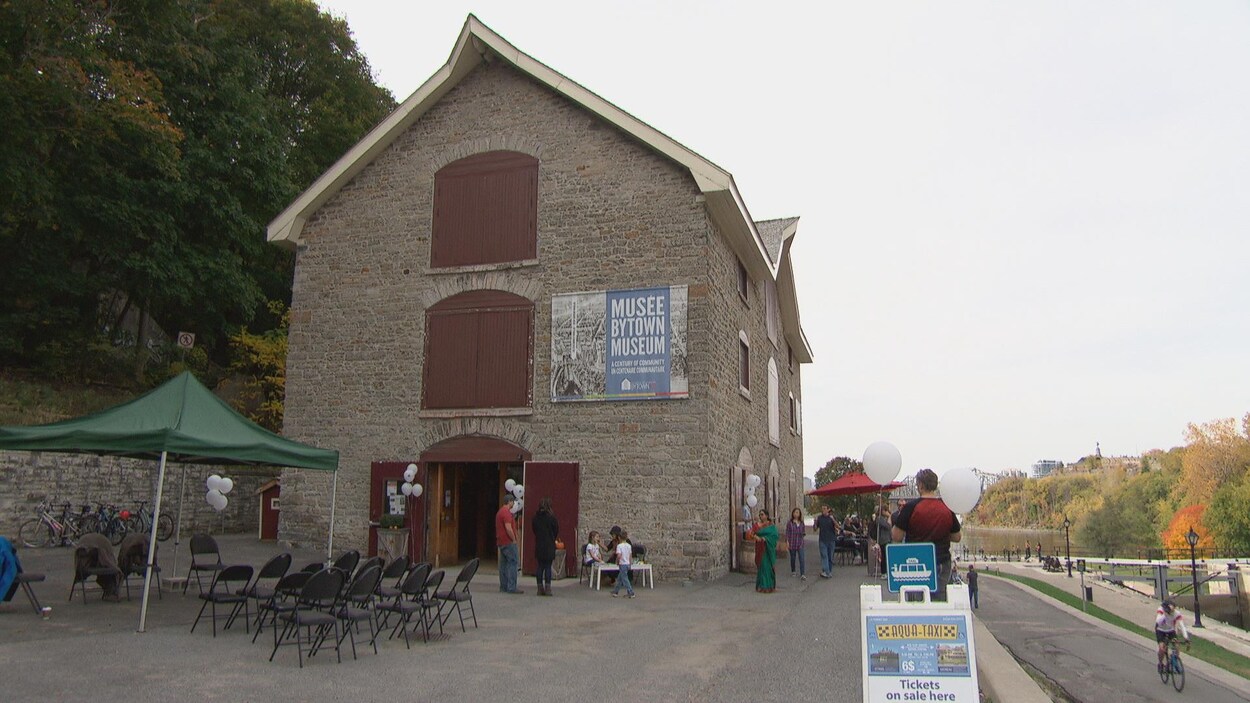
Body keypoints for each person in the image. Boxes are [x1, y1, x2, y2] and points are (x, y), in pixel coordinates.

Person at [892, 468, 962, 601]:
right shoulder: (946, 508)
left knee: (917, 602)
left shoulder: (911, 507)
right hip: (942, 561)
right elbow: (957, 537)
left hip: (917, 561)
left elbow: (897, 537)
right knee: (939, 601)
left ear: (920, 485)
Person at [74, 533, 121, 601]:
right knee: (111, 570)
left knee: (109, 568)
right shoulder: (102, 543)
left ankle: (110, 589)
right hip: (95, 564)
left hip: (86, 565)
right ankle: (111, 590)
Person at [531, 497, 559, 597]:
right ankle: (548, 588)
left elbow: (534, 529)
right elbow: (556, 530)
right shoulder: (552, 518)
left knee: (540, 566)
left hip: (539, 544)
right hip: (549, 544)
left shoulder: (536, 517)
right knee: (548, 566)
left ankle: (539, 588)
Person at [495, 494, 523, 594]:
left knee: (503, 564)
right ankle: (512, 587)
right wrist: (514, 539)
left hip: (501, 541)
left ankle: (503, 586)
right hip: (508, 542)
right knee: (513, 563)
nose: (513, 504)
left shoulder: (499, 512)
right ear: (510, 501)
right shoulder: (506, 513)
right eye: (513, 502)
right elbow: (508, 528)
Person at [1155, 600, 1190, 672]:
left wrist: (1186, 637)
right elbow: (1158, 621)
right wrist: (1165, 615)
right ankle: (1161, 663)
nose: (1172, 612)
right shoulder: (1161, 610)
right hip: (1160, 630)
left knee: (1176, 646)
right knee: (1162, 648)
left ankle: (1175, 661)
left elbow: (1182, 626)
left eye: (1173, 609)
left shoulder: (1177, 614)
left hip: (1171, 631)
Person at [611, 529, 636, 599]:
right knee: (620, 578)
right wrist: (630, 563)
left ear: (619, 537)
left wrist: (617, 561)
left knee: (625, 579)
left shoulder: (619, 546)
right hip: (627, 563)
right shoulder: (629, 546)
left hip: (622, 564)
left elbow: (619, 555)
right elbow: (630, 555)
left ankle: (631, 592)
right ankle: (615, 591)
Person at [814, 504, 838, 578]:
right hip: (823, 540)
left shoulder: (831, 518)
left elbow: (838, 526)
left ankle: (828, 571)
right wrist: (815, 522)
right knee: (824, 556)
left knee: (830, 557)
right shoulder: (819, 518)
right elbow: (815, 529)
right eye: (822, 509)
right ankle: (827, 572)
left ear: (828, 509)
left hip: (831, 539)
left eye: (824, 509)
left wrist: (833, 520)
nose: (823, 510)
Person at [785, 508, 806, 580]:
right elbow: (787, 532)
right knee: (793, 558)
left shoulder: (802, 523)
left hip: (800, 543)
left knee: (802, 558)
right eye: (795, 512)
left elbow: (803, 531)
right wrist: (787, 542)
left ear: (800, 514)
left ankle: (802, 573)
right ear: (793, 513)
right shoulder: (790, 523)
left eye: (798, 513)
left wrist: (802, 534)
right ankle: (793, 570)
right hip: (792, 542)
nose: (796, 514)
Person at [873, 506, 892, 577]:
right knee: (884, 556)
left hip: (888, 538)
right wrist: (889, 516)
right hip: (883, 539)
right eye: (885, 510)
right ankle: (884, 572)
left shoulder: (884, 518)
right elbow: (888, 526)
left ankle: (886, 571)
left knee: (886, 555)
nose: (887, 512)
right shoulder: (879, 519)